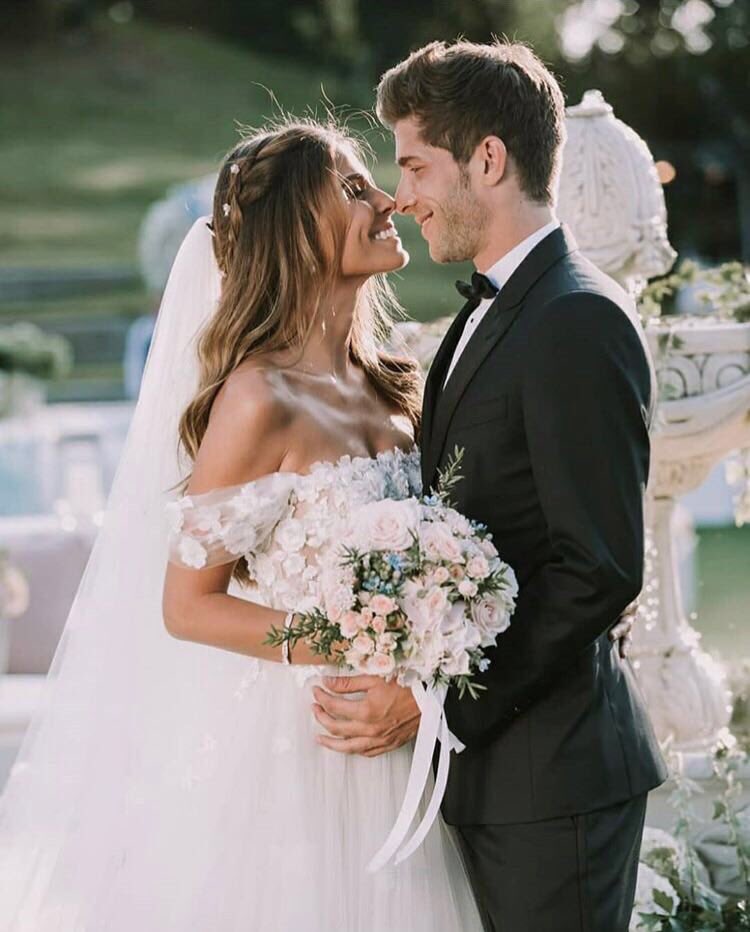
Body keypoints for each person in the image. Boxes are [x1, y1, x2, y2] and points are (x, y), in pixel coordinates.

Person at [0, 119, 484, 931]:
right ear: (295, 228)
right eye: (353, 188)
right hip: (307, 756)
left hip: (408, 742)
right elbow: (188, 605)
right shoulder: (260, 397)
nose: (388, 200)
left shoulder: (393, 387)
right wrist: (349, 641)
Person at [312, 40, 668, 932]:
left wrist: (433, 702)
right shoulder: (499, 308)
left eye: (416, 165)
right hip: (497, 781)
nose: (402, 196)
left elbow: (598, 567)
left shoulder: (574, 317)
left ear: (489, 159)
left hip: (555, 785)